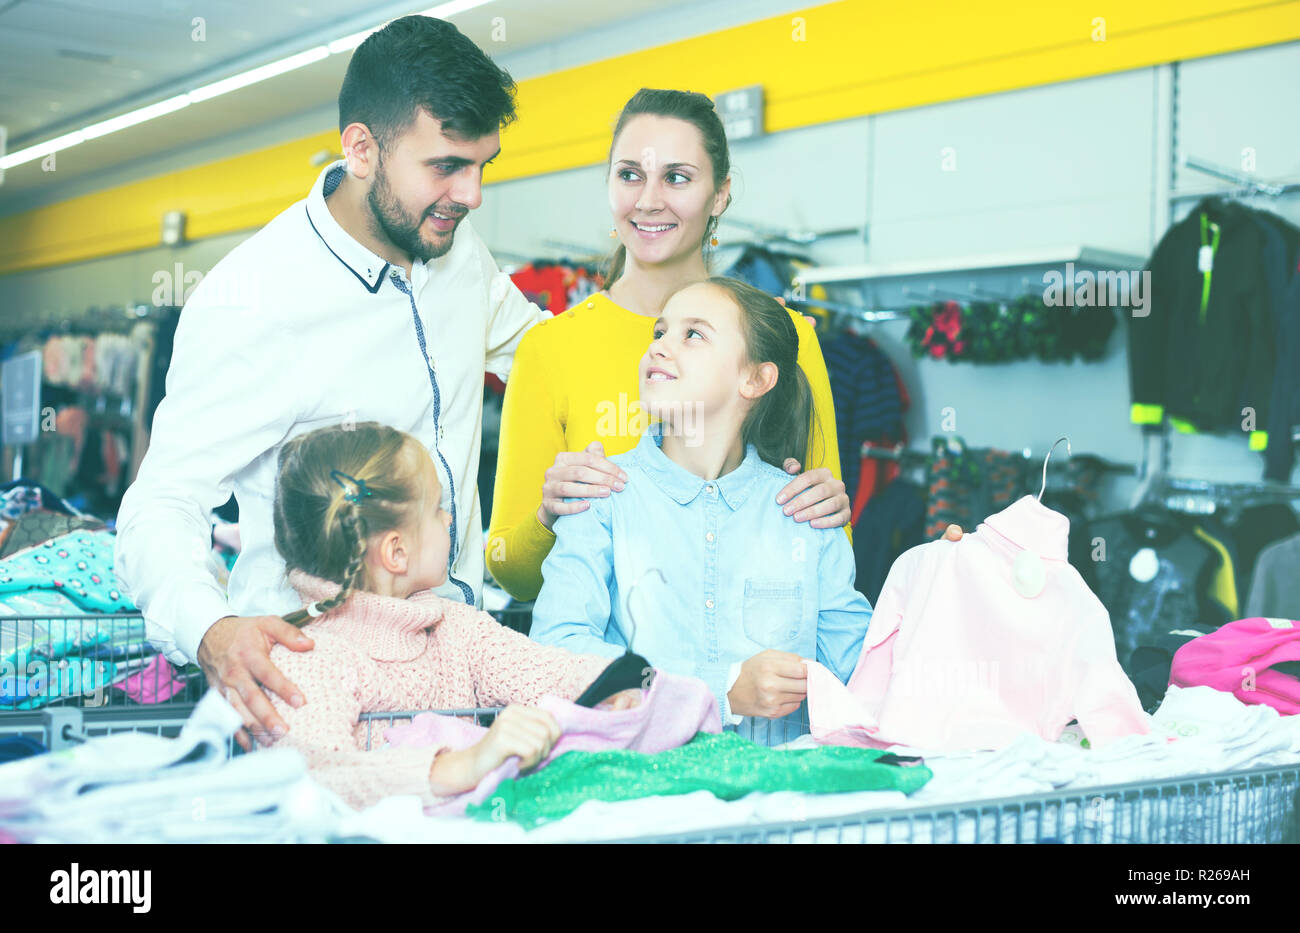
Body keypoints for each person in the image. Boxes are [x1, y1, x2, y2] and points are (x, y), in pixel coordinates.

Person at [114, 16, 548, 749]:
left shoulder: (450, 242)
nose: (471, 194)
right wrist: (211, 628)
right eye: (445, 165)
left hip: (455, 681)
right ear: (361, 149)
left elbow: (531, 346)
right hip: (316, 700)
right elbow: (161, 502)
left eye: (483, 167)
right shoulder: (253, 302)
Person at [485, 88, 851, 602]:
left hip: (752, 667)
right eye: (629, 174)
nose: (648, 199)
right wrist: (549, 514)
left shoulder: (786, 338)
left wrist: (826, 507)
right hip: (609, 673)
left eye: (676, 177)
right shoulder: (549, 348)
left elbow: (830, 554)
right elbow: (510, 572)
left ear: (720, 194)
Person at [528, 278, 873, 745]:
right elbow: (558, 651)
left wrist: (939, 572)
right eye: (659, 333)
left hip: (781, 805)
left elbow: (862, 670)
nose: (660, 348)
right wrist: (722, 689)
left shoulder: (805, 512)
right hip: (644, 796)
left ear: (755, 379)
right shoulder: (601, 495)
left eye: (693, 335)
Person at [260, 421, 638, 811]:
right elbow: (314, 778)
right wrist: (459, 767)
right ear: (397, 552)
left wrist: (614, 684)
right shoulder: (302, 660)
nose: (449, 519)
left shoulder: (456, 628)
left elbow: (544, 671)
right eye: (437, 508)